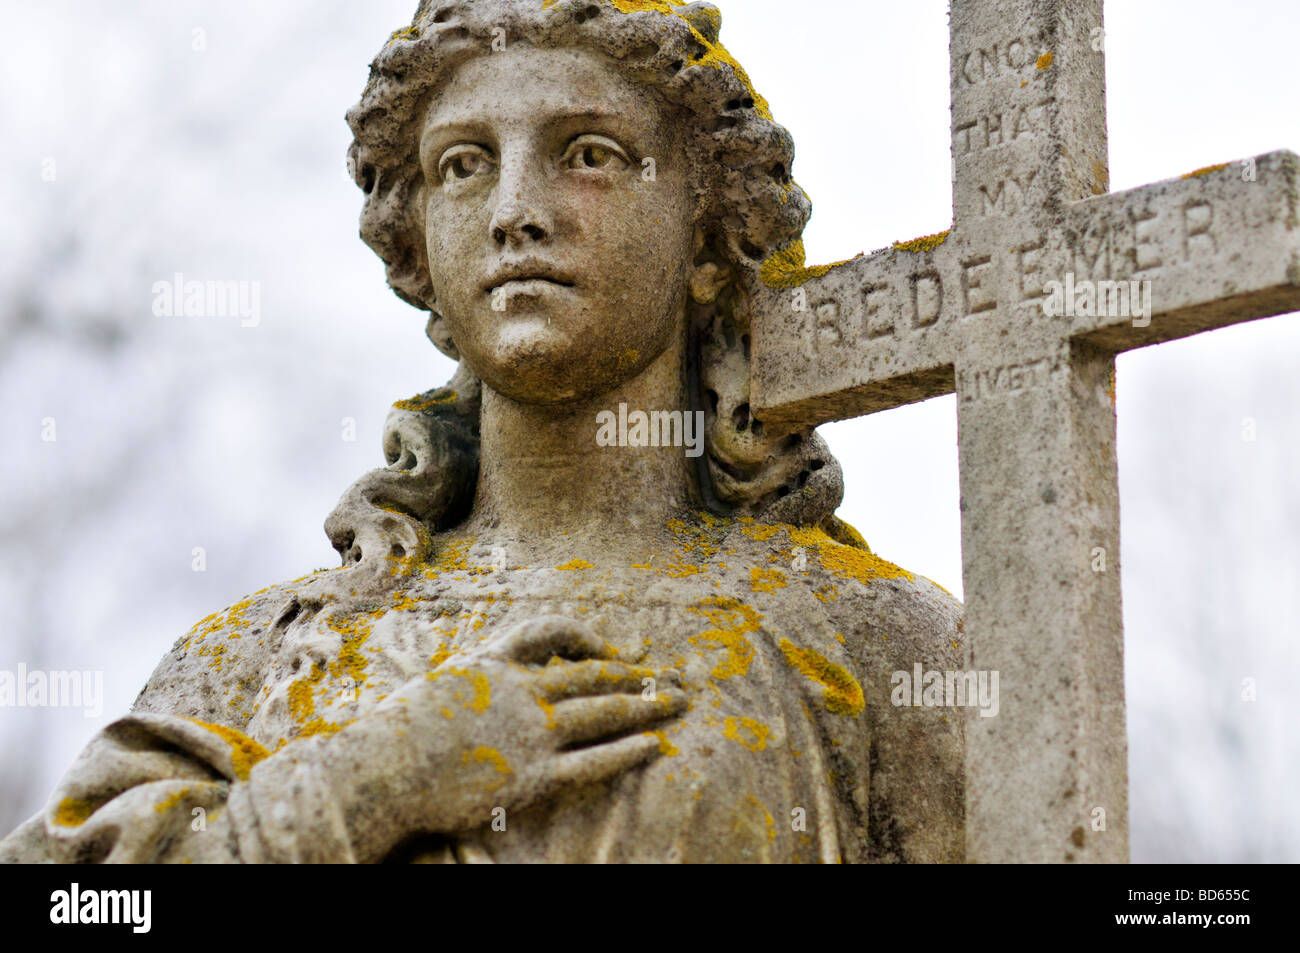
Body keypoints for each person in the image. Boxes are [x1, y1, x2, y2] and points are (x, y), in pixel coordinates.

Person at [1, 0, 963, 864]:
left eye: (588, 154)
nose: (514, 214)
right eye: (463, 166)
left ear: (708, 232)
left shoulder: (874, 646)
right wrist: (366, 783)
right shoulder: (261, 657)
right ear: (416, 243)